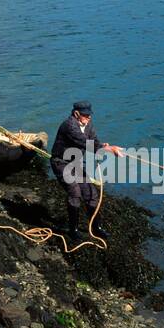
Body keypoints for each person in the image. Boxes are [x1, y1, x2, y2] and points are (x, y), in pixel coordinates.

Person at [50, 101, 123, 239]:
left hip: (75, 163)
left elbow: (94, 142)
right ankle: (73, 230)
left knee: (91, 193)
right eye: (85, 115)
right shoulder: (69, 125)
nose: (88, 117)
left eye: (89, 115)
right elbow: (86, 143)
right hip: (61, 163)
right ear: (76, 114)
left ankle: (97, 228)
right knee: (75, 193)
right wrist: (108, 148)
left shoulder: (88, 125)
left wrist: (104, 147)